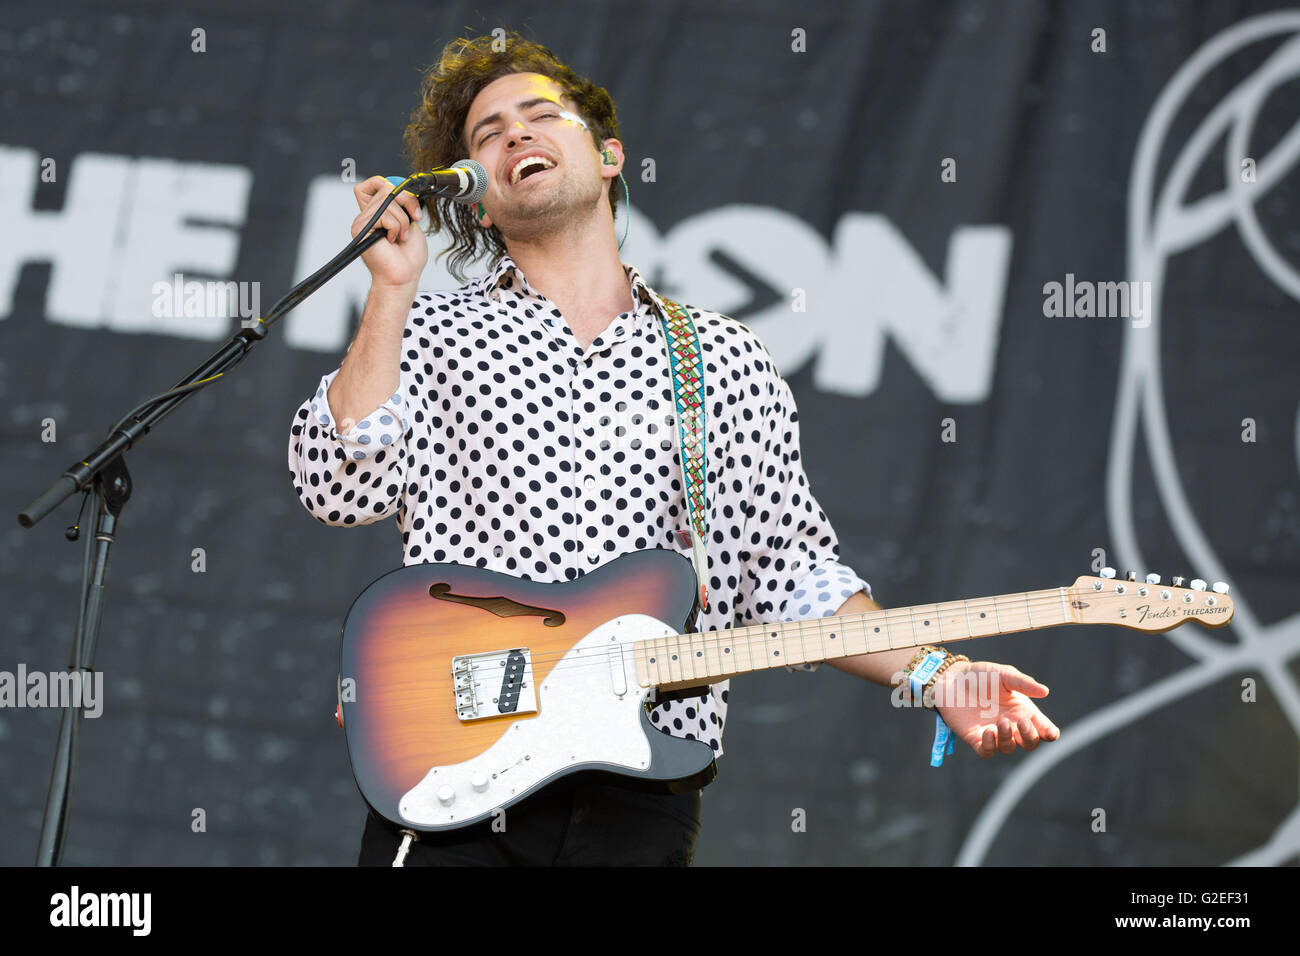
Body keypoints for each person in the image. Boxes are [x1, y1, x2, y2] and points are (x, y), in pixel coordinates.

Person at [287, 32, 1060, 866]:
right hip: (457, 772)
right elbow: (337, 484)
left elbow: (792, 572)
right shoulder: (431, 332)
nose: (516, 135)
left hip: (642, 791)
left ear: (609, 155)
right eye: (488, 135)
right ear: (477, 200)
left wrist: (936, 674)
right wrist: (392, 291)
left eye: (541, 116)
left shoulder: (725, 358)